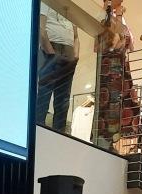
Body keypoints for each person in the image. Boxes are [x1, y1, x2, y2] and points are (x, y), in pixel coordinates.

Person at [93, 0, 137, 151]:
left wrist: (120, 17)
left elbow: (129, 44)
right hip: (109, 66)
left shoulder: (120, 16)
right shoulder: (104, 14)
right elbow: (114, 40)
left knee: (119, 103)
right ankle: (104, 141)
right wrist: (118, 16)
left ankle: (110, 142)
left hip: (121, 66)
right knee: (109, 104)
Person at [37, 5, 80, 133]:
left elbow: (76, 36)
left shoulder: (69, 7)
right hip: (51, 49)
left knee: (63, 100)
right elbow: (41, 29)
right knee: (44, 95)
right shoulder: (47, 3)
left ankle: (59, 135)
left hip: (68, 52)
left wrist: (76, 55)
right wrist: (51, 53)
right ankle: (39, 133)